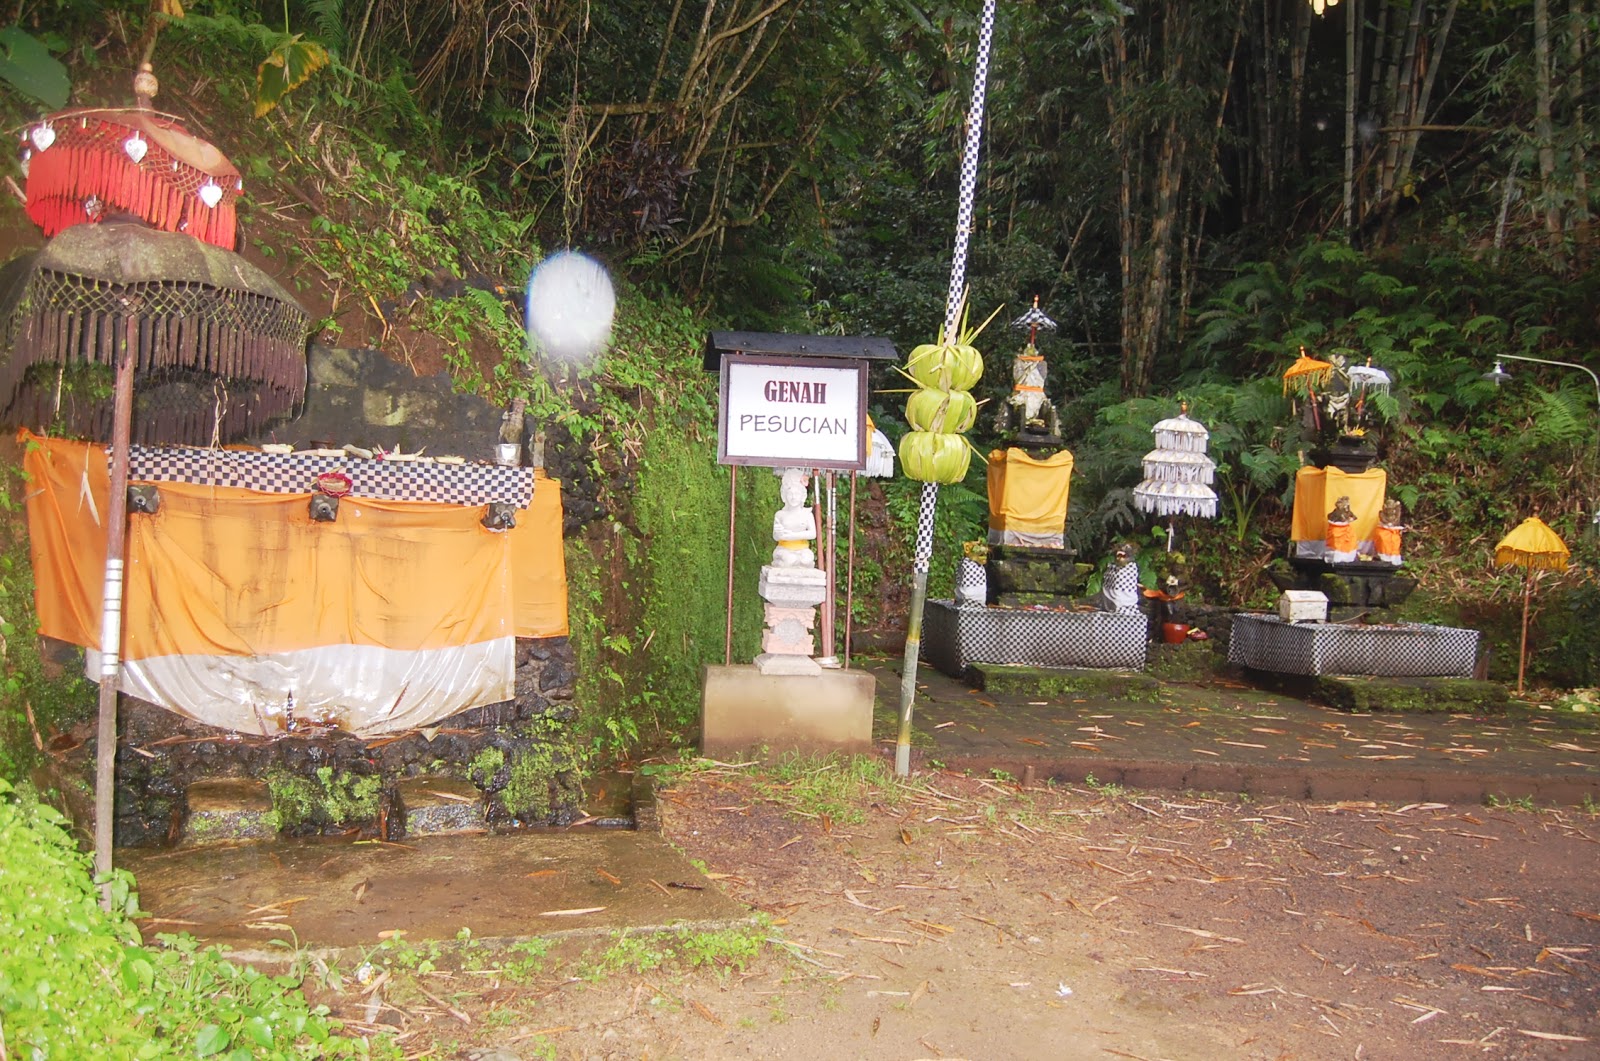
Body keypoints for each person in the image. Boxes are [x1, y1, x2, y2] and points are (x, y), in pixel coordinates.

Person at [771, 467, 816, 568]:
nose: (793, 497)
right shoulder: (780, 514)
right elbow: (775, 536)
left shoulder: (807, 514)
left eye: (796, 494)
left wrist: (793, 535)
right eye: (790, 494)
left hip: (802, 549)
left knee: (807, 559)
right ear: (784, 496)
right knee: (789, 560)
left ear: (802, 496)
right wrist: (780, 534)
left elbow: (812, 533)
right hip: (784, 548)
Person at [1099, 542, 1141, 613]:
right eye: (1118, 556)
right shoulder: (1112, 569)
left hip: (1125, 604)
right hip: (1110, 603)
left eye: (1122, 556)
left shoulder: (1130, 569)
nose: (1119, 558)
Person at [1326, 495, 1358, 564]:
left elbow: (1354, 517)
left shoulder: (1347, 511)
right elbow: (1330, 516)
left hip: (1346, 528)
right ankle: (1337, 556)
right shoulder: (1336, 512)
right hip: (1336, 528)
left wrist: (1349, 519)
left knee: (1351, 539)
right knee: (1336, 540)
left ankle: (1346, 556)